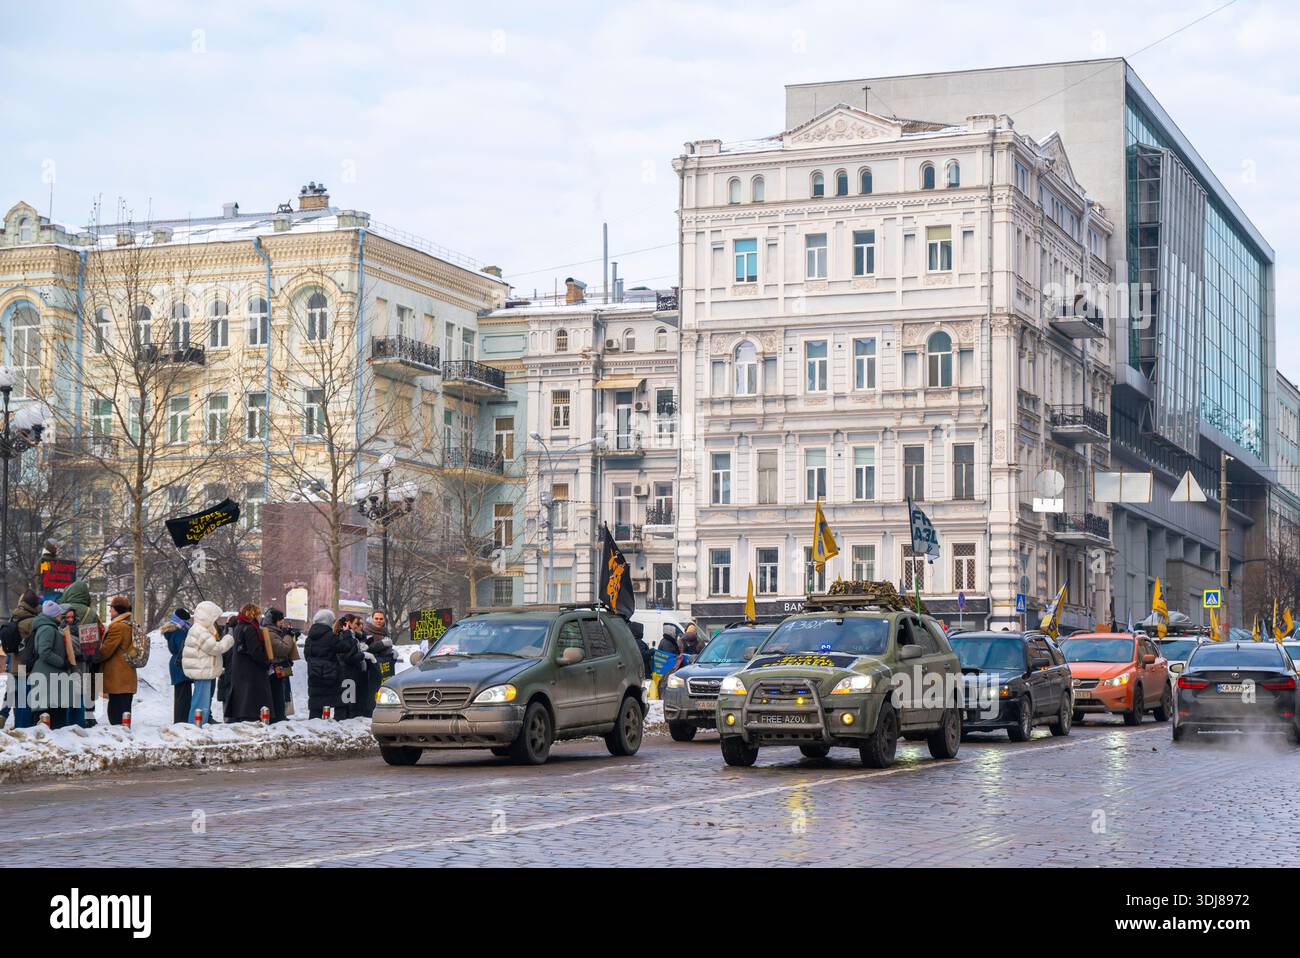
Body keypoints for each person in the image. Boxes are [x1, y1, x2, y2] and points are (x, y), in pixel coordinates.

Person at [304, 609, 364, 719]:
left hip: (315, 674)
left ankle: (313, 727)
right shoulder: (329, 636)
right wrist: (347, 633)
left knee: (316, 704)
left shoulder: (309, 638)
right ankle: (337, 725)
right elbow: (345, 647)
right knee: (338, 702)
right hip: (331, 675)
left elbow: (306, 656)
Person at [182, 601, 233, 726]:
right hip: (201, 670)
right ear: (207, 616)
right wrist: (229, 638)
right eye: (214, 617)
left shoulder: (202, 629)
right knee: (200, 703)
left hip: (203, 669)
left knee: (202, 702)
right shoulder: (200, 631)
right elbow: (215, 648)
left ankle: (199, 725)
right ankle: (195, 726)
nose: (215, 620)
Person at [59, 581, 102, 728]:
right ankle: (86, 716)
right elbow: (94, 638)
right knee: (84, 688)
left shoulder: (62, 608)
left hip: (65, 656)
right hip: (84, 657)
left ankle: (66, 719)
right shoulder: (90, 613)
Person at [28, 601, 75, 729]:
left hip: (51, 678)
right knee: (50, 717)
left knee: (53, 713)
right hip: (48, 678)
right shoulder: (47, 629)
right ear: (54, 615)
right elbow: (44, 651)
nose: (61, 616)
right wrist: (62, 663)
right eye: (59, 613)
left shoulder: (49, 627)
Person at [225, 603, 274, 723]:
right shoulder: (251, 628)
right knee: (251, 697)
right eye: (258, 614)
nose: (260, 617)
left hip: (240, 669)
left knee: (242, 695)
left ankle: (242, 715)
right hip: (251, 670)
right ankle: (251, 716)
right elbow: (255, 650)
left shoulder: (239, 626)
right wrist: (267, 662)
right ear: (253, 614)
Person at [98, 595, 138, 726]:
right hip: (126, 677)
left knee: (116, 714)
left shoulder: (118, 627)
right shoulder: (129, 624)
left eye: (112, 609)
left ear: (117, 610)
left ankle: (122, 741)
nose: (110, 611)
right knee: (124, 712)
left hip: (118, 678)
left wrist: (93, 655)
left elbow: (106, 650)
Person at [4, 590, 40, 728]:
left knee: (19, 701)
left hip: (14, 666)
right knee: (26, 702)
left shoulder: (14, 617)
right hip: (27, 668)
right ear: (34, 606)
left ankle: (19, 726)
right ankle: (24, 729)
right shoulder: (31, 622)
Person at [261, 608, 296, 724]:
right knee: (278, 692)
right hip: (275, 668)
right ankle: (278, 717)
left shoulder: (275, 632)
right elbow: (283, 649)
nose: (282, 623)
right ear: (274, 621)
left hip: (280, 667)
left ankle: (281, 715)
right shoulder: (270, 633)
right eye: (280, 620)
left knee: (282, 691)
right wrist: (288, 636)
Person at [359, 610, 395, 719]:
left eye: (381, 619)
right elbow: (366, 649)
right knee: (373, 690)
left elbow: (387, 647)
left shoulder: (385, 632)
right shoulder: (366, 631)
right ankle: (370, 711)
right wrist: (382, 644)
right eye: (377, 618)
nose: (379, 621)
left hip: (384, 667)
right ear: (372, 619)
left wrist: (392, 652)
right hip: (371, 668)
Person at [162, 607, 193, 724]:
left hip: (176, 663)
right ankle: (182, 721)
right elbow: (183, 648)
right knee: (183, 696)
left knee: (181, 695)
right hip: (180, 664)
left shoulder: (173, 630)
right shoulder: (180, 632)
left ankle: (180, 720)